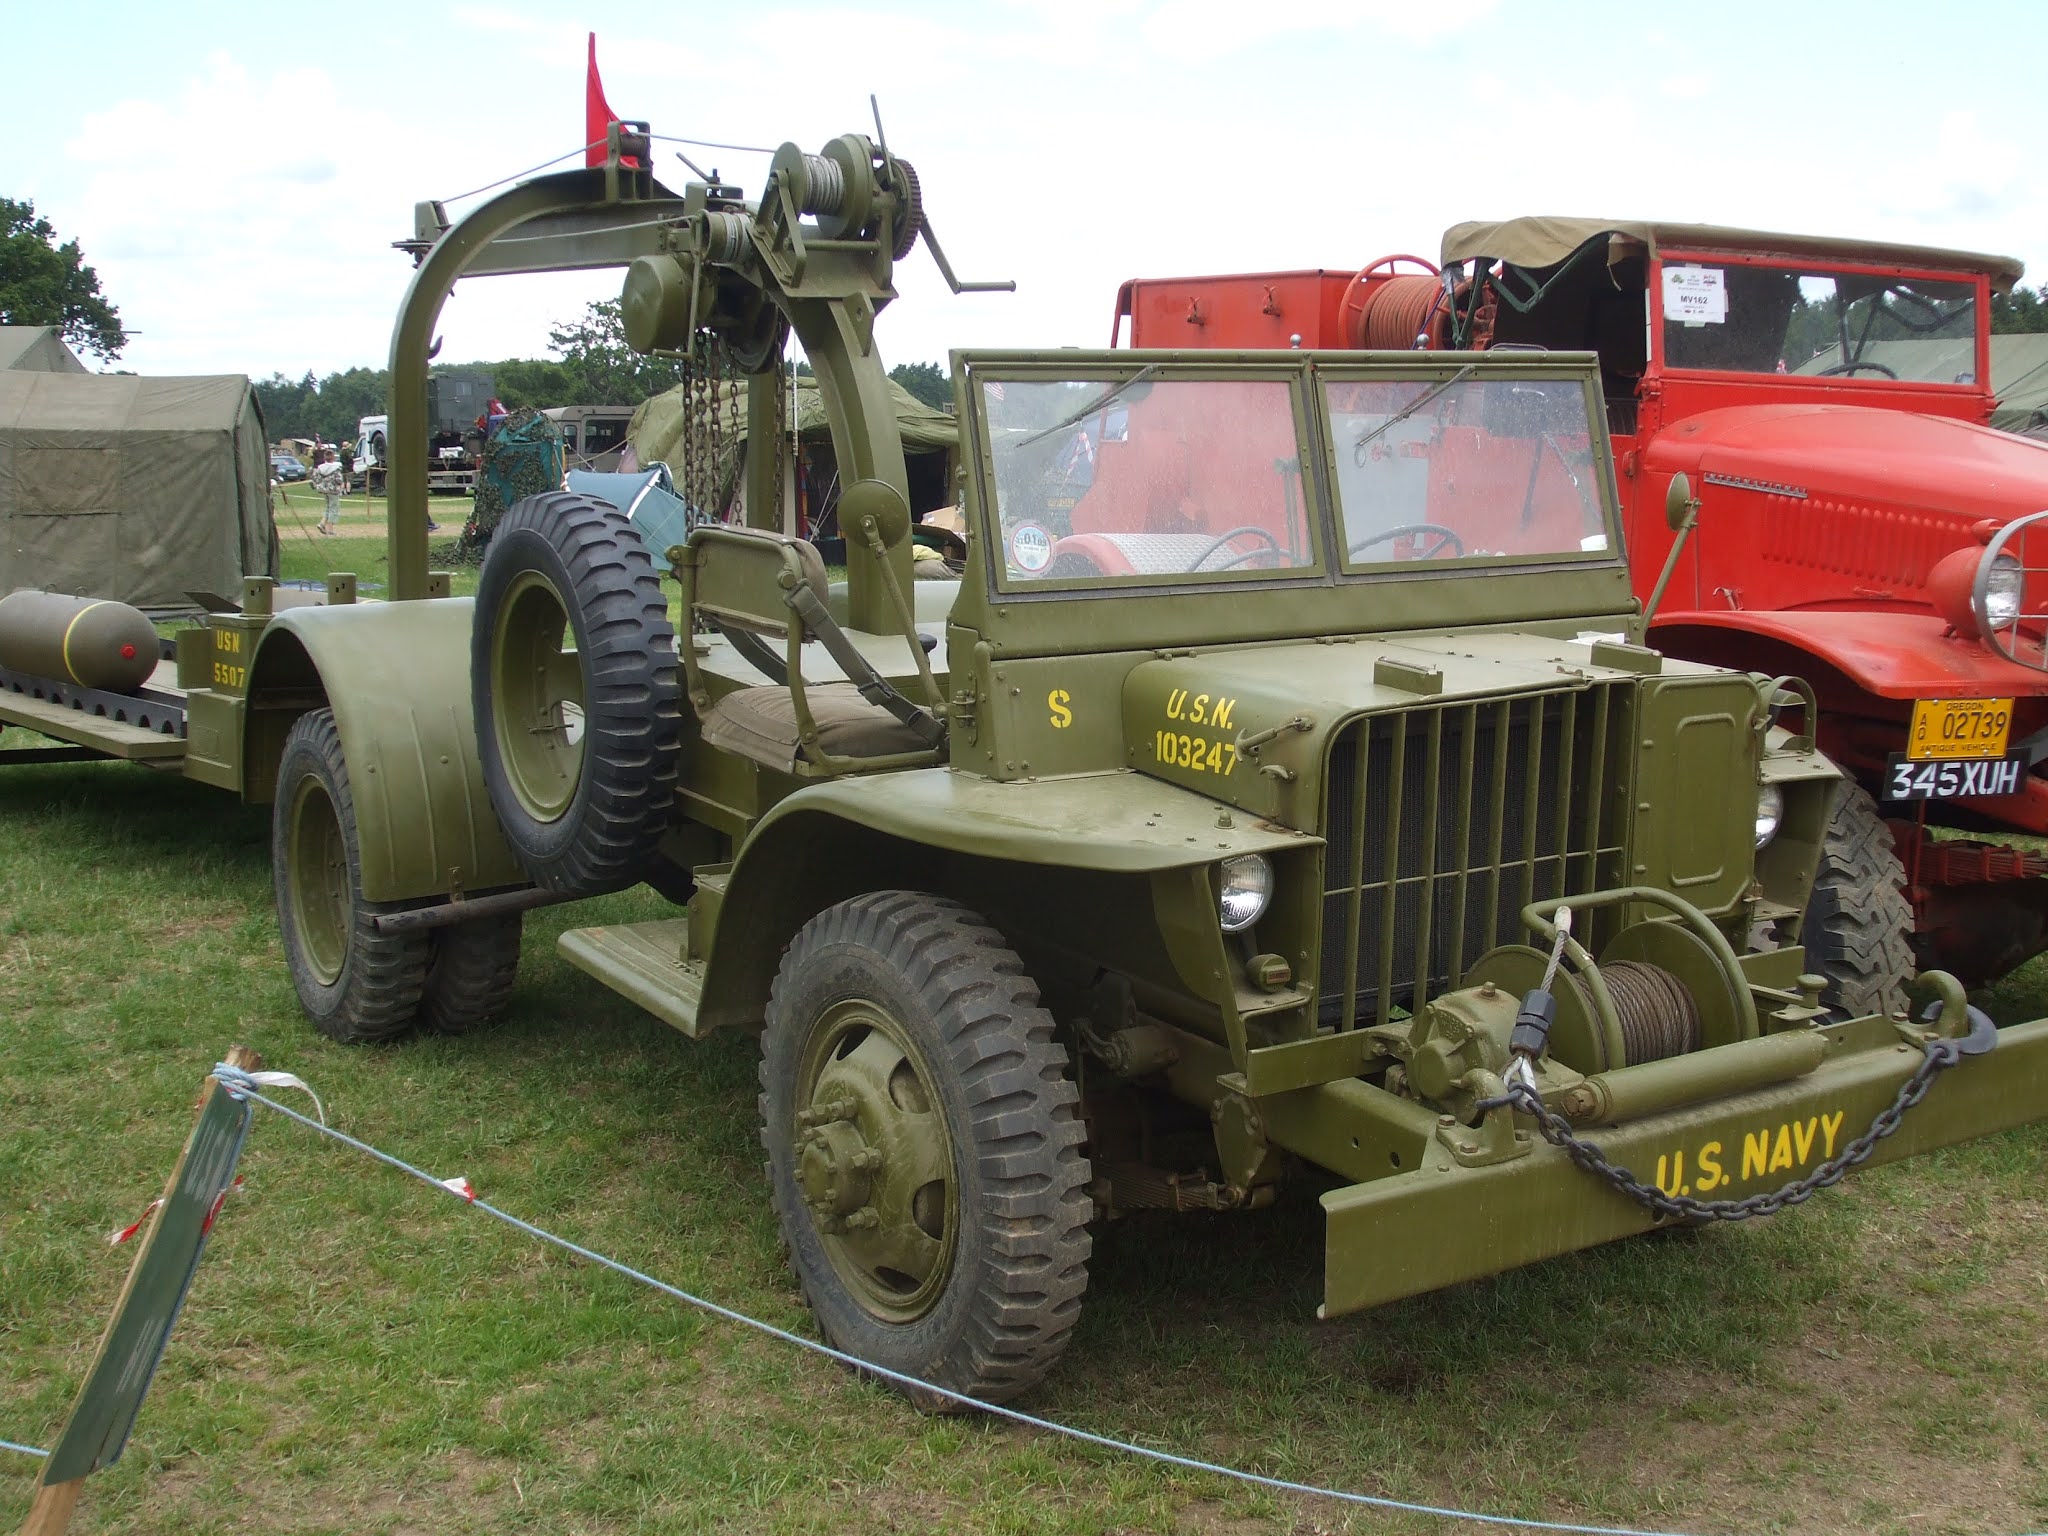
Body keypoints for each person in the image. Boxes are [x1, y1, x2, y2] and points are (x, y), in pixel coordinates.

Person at [309, 447, 345, 535]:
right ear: (333, 457)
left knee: (328, 507)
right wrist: (340, 484)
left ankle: (322, 523)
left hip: (324, 490)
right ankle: (330, 529)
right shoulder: (336, 468)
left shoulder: (320, 468)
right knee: (334, 508)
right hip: (333, 490)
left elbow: (315, 478)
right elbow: (339, 479)